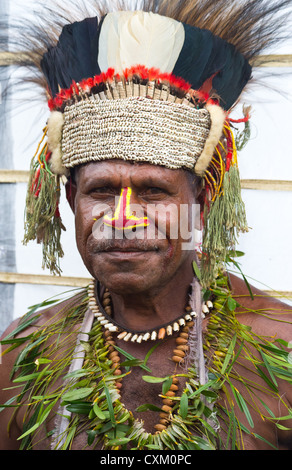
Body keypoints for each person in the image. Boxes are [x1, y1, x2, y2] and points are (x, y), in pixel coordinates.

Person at [0, 1, 291, 451]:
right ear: (71, 199)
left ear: (202, 201)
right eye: (101, 191)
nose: (122, 219)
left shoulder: (281, 353)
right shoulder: (22, 354)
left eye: (154, 191)